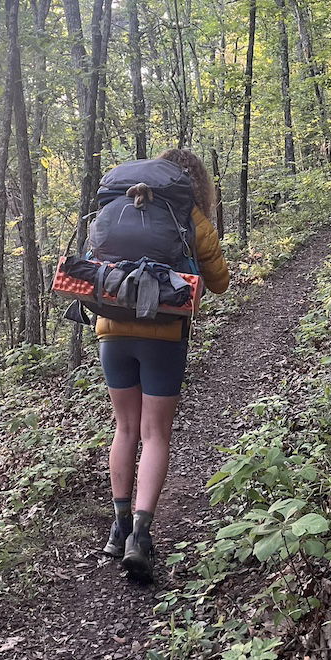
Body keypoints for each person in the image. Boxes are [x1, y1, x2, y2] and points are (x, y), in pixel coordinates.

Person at [96, 148, 230, 583]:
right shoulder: (189, 215)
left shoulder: (122, 203)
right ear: (196, 184)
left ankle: (116, 529)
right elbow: (221, 282)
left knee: (124, 429)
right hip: (165, 331)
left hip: (111, 327)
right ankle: (140, 534)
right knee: (155, 435)